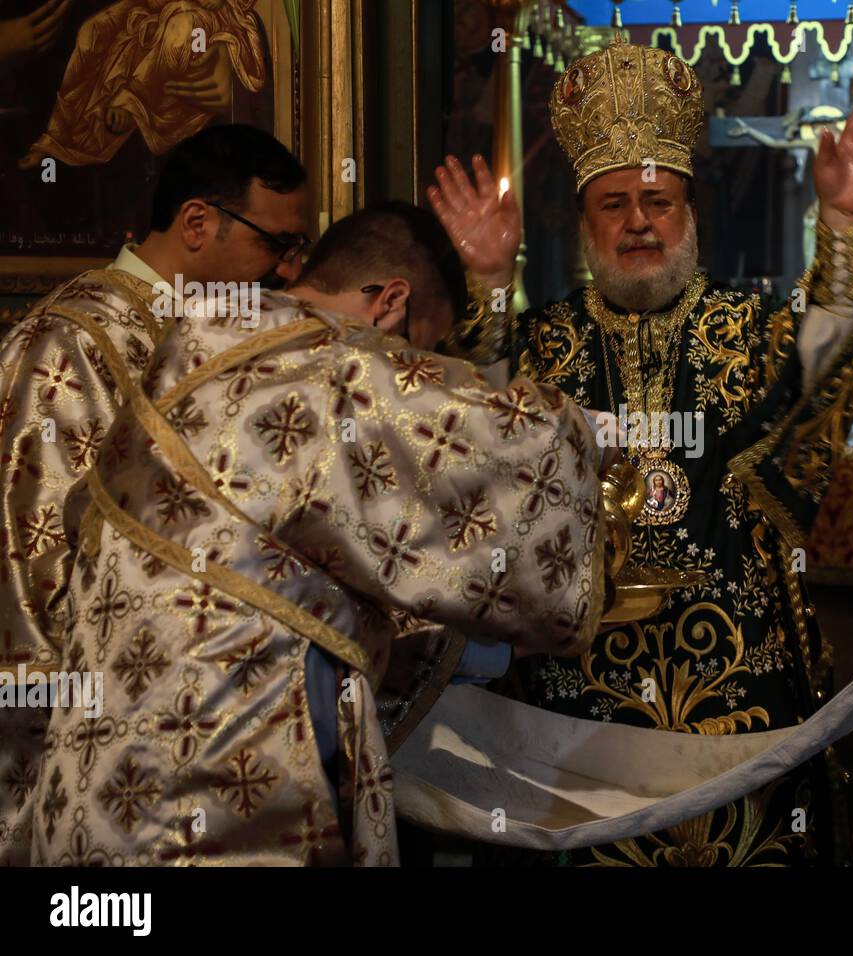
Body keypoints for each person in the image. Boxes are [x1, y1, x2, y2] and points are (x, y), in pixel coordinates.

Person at [430, 35, 853, 866]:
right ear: (585, 222)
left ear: (690, 211)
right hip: (573, 693)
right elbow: (476, 440)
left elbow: (829, 366)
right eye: (613, 205)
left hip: (739, 685)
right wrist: (486, 282)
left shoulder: (749, 331)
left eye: (656, 202)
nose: (637, 223)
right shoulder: (545, 346)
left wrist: (840, 224)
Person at [27, 201, 613, 865]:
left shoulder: (191, 345)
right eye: (418, 350)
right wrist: (598, 438)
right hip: (216, 804)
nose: (410, 369)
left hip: (90, 796)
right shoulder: (328, 368)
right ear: (391, 301)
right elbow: (526, 442)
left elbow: (270, 575)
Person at [0, 121, 309, 865]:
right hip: (99, 737)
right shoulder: (69, 347)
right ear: (198, 222)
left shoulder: (218, 335)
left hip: (210, 724)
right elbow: (27, 564)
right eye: (275, 245)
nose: (288, 273)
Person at [20, 0, 265, 169]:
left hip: (208, 17)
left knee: (180, 31)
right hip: (156, 7)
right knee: (92, 31)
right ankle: (57, 136)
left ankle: (132, 99)